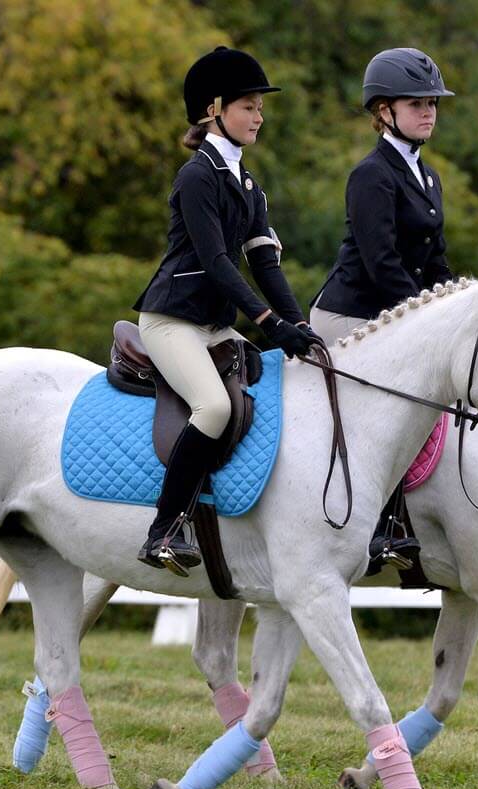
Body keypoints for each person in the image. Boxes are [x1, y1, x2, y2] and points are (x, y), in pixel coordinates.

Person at [133, 46, 319, 576]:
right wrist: (266, 322)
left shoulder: (249, 186)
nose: (259, 116)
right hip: (172, 320)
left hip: (214, 326)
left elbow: (265, 265)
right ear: (214, 109)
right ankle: (164, 527)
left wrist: (298, 325)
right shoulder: (197, 176)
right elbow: (216, 261)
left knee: (274, 386)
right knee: (213, 408)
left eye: (261, 107)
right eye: (249, 106)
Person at [310, 47, 455, 573]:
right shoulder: (371, 175)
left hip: (398, 316)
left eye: (433, 103)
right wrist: (431, 317)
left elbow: (434, 262)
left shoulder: (429, 178)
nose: (429, 112)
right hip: (352, 317)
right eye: (417, 103)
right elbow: (381, 264)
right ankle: (382, 525)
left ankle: (407, 522)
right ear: (384, 110)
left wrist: (459, 304)